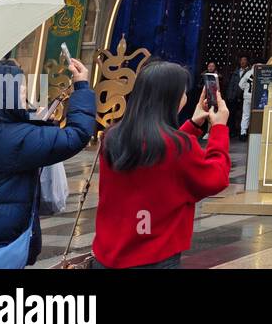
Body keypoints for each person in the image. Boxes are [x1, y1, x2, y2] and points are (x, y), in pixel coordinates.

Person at [0, 56, 95, 269]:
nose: (25, 92)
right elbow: (77, 135)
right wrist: (81, 86)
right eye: (20, 87)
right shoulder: (8, 137)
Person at [91, 60, 230, 269]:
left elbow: (156, 158)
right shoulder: (178, 147)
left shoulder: (113, 137)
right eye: (182, 93)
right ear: (171, 98)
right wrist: (218, 128)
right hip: (154, 258)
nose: (185, 97)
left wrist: (192, 125)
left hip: (107, 256)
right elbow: (215, 178)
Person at [226, 55, 252, 140]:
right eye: (241, 60)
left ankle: (243, 132)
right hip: (236, 96)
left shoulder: (249, 71)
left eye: (244, 60)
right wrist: (231, 95)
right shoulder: (236, 72)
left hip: (244, 96)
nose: (243, 62)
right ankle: (234, 131)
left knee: (245, 115)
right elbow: (232, 85)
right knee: (234, 114)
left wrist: (243, 91)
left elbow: (241, 85)